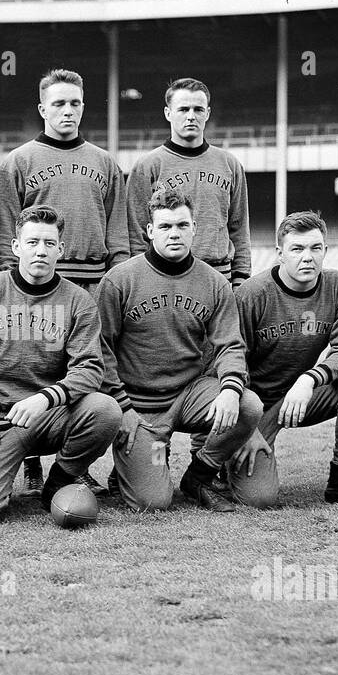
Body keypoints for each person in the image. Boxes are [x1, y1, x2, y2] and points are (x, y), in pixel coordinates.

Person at [0, 68, 127, 496]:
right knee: (31, 365)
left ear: (83, 107)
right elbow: (3, 236)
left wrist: (115, 281)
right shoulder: (19, 161)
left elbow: (119, 235)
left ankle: (74, 466)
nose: (67, 111)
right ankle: (31, 461)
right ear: (42, 108)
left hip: (91, 284)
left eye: (74, 103)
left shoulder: (105, 162)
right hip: (35, 284)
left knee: (90, 374)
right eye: (58, 104)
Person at [0, 205, 122, 521]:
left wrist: (45, 398)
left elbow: (90, 368)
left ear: (60, 249)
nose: (41, 251)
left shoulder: (78, 301)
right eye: (32, 242)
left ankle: (59, 481)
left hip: (50, 414)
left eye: (49, 243)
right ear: (16, 247)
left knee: (104, 410)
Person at [98, 188, 262, 513]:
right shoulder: (119, 281)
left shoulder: (214, 282)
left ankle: (199, 475)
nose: (174, 233)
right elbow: (100, 351)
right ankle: (140, 463)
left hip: (189, 395)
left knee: (247, 405)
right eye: (165, 226)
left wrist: (229, 388)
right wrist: (123, 409)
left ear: (194, 228)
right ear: (149, 231)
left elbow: (230, 345)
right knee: (154, 500)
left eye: (182, 226)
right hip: (143, 409)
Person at [227, 210, 338, 508]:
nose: (307, 257)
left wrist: (309, 379)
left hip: (301, 396)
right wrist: (247, 428)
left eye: (315, 248)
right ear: (280, 253)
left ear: (325, 251)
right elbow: (230, 360)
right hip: (256, 405)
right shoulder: (252, 294)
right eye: (297, 249)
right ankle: (221, 455)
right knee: (259, 498)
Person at [125, 78, 251, 288]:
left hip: (219, 277)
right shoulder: (148, 165)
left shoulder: (229, 164)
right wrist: (144, 282)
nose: (191, 116)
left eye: (198, 109)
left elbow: (239, 230)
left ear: (208, 113)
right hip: (164, 278)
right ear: (168, 113)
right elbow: (136, 234)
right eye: (183, 109)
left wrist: (241, 280)